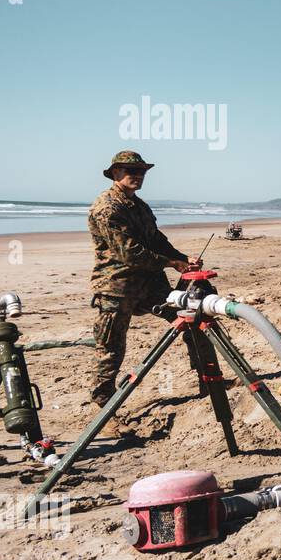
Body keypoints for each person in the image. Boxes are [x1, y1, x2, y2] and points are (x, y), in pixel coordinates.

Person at [87, 150, 198, 419]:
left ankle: (205, 380)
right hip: (117, 287)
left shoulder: (140, 206)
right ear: (115, 173)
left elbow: (155, 238)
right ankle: (104, 411)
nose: (137, 176)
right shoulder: (106, 207)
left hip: (150, 285)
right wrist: (171, 263)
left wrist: (182, 258)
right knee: (110, 350)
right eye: (130, 171)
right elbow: (130, 252)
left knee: (193, 320)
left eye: (141, 172)